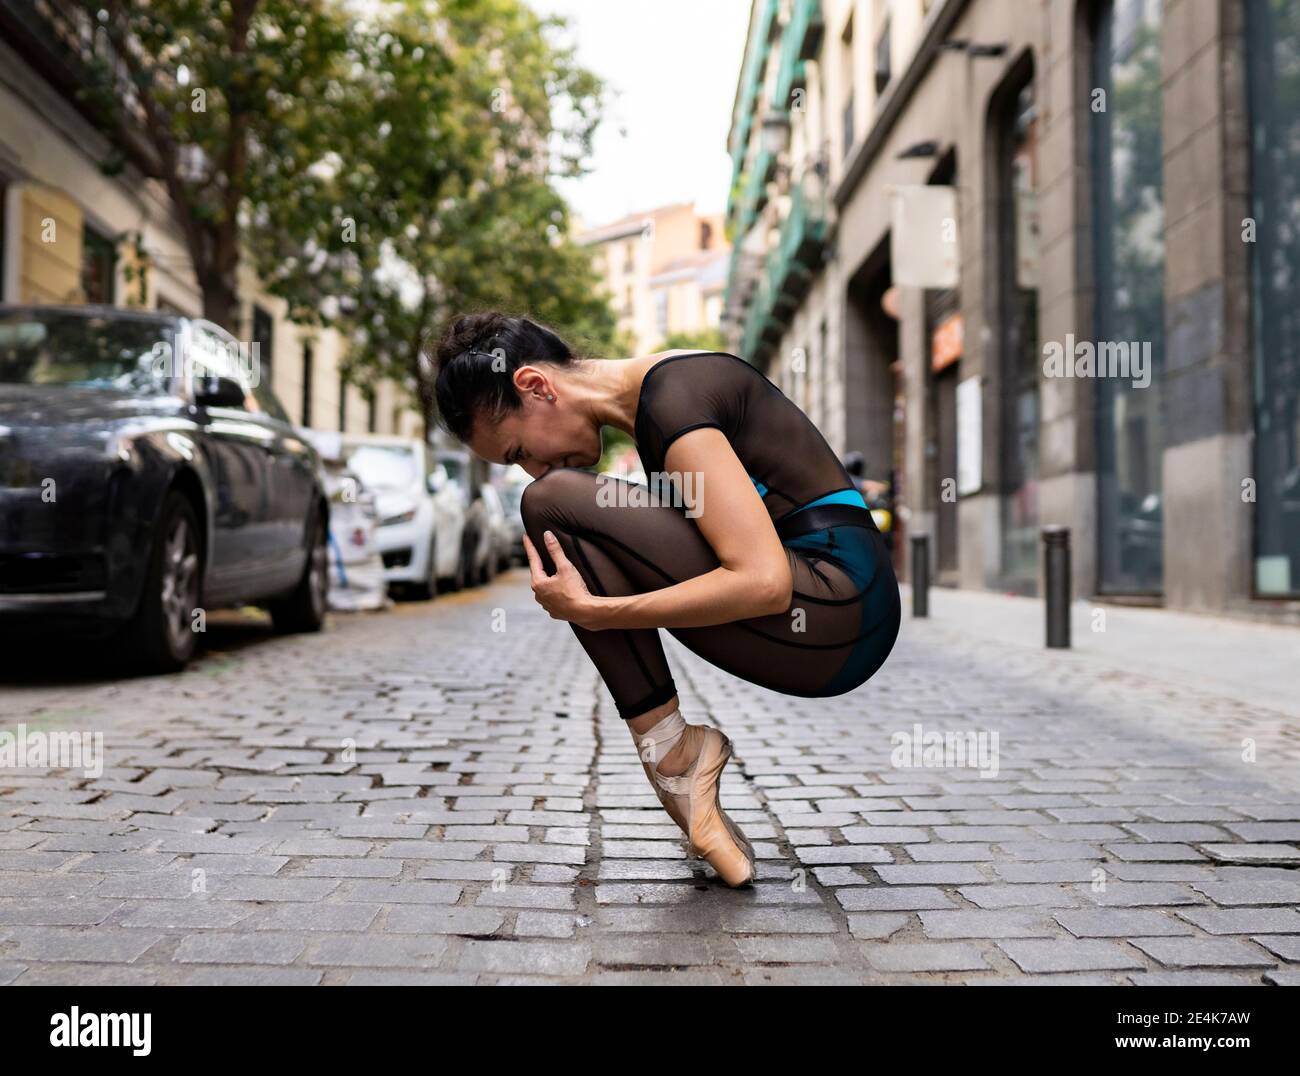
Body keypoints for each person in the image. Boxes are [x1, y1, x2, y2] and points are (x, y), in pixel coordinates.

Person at [432, 312, 901, 887]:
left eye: (516, 452)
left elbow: (763, 582)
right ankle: (675, 760)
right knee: (566, 516)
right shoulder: (656, 402)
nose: (530, 468)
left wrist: (596, 612)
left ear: (536, 386)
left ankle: (677, 760)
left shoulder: (671, 400)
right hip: (833, 615)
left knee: (549, 502)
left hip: (841, 604)